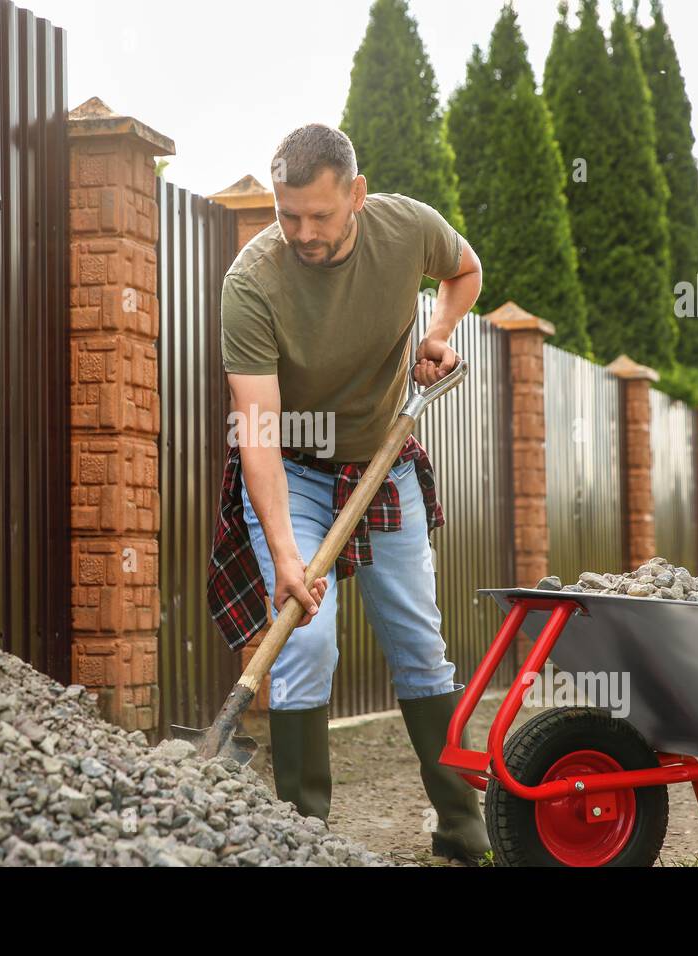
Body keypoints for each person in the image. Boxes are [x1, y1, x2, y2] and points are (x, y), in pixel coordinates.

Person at [205, 122, 490, 863]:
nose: (302, 232)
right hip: (295, 470)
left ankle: (462, 823)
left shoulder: (406, 228)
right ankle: (304, 836)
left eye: (320, 215)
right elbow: (258, 433)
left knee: (419, 645)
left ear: (356, 196)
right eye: (286, 214)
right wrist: (284, 554)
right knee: (305, 644)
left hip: (380, 465)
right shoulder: (252, 283)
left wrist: (438, 330)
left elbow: (467, 269)